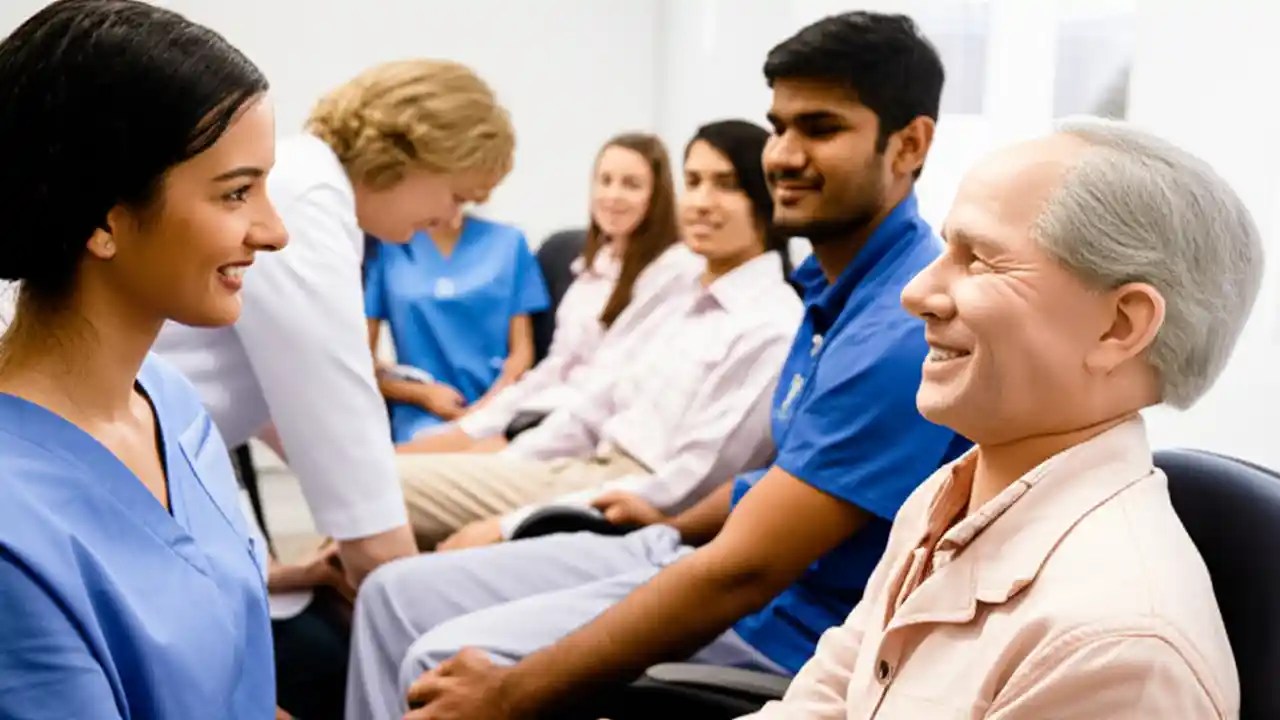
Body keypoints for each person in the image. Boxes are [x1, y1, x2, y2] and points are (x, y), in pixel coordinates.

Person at [346, 13, 971, 720]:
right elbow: (792, 476)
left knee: (441, 660)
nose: (785, 156)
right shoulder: (831, 292)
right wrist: (667, 515)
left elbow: (750, 569)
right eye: (779, 127)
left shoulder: (899, 321)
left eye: (820, 129)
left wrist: (511, 694)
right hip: (695, 542)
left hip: (785, 626)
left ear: (909, 145)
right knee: (392, 593)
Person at [743, 119, 1261, 719]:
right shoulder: (948, 499)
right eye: (944, 252)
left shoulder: (1115, 650)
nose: (915, 293)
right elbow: (822, 706)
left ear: (1120, 326)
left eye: (980, 260)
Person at [0, 1, 286, 717]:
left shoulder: (170, 402)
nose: (274, 230)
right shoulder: (12, 530)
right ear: (102, 218)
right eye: (236, 192)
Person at [152, 58, 515, 586]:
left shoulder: (306, 185)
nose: (450, 218)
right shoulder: (306, 203)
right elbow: (334, 405)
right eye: (456, 195)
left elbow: (293, 402)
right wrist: (413, 594)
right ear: (413, 154)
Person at [393, 119, 803, 552]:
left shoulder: (769, 325)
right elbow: (598, 394)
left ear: (768, 198)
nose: (701, 202)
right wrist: (504, 463)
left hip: (621, 489)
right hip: (578, 460)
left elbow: (691, 481)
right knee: (383, 488)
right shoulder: (678, 283)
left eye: (727, 185)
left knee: (386, 491)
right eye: (694, 181)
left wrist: (512, 522)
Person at [400, 133, 702, 454]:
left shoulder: (672, 272)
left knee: (432, 471)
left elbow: (608, 391)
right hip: (541, 414)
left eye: (631, 184)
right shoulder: (591, 267)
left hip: (580, 433)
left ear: (658, 195)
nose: (613, 195)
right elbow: (555, 368)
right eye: (605, 181)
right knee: (416, 452)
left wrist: (508, 445)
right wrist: (475, 424)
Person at [365, 209, 550, 444]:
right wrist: (422, 394)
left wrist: (485, 409)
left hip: (498, 408)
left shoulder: (509, 243)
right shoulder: (388, 247)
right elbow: (361, 361)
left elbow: (521, 354)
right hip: (420, 415)